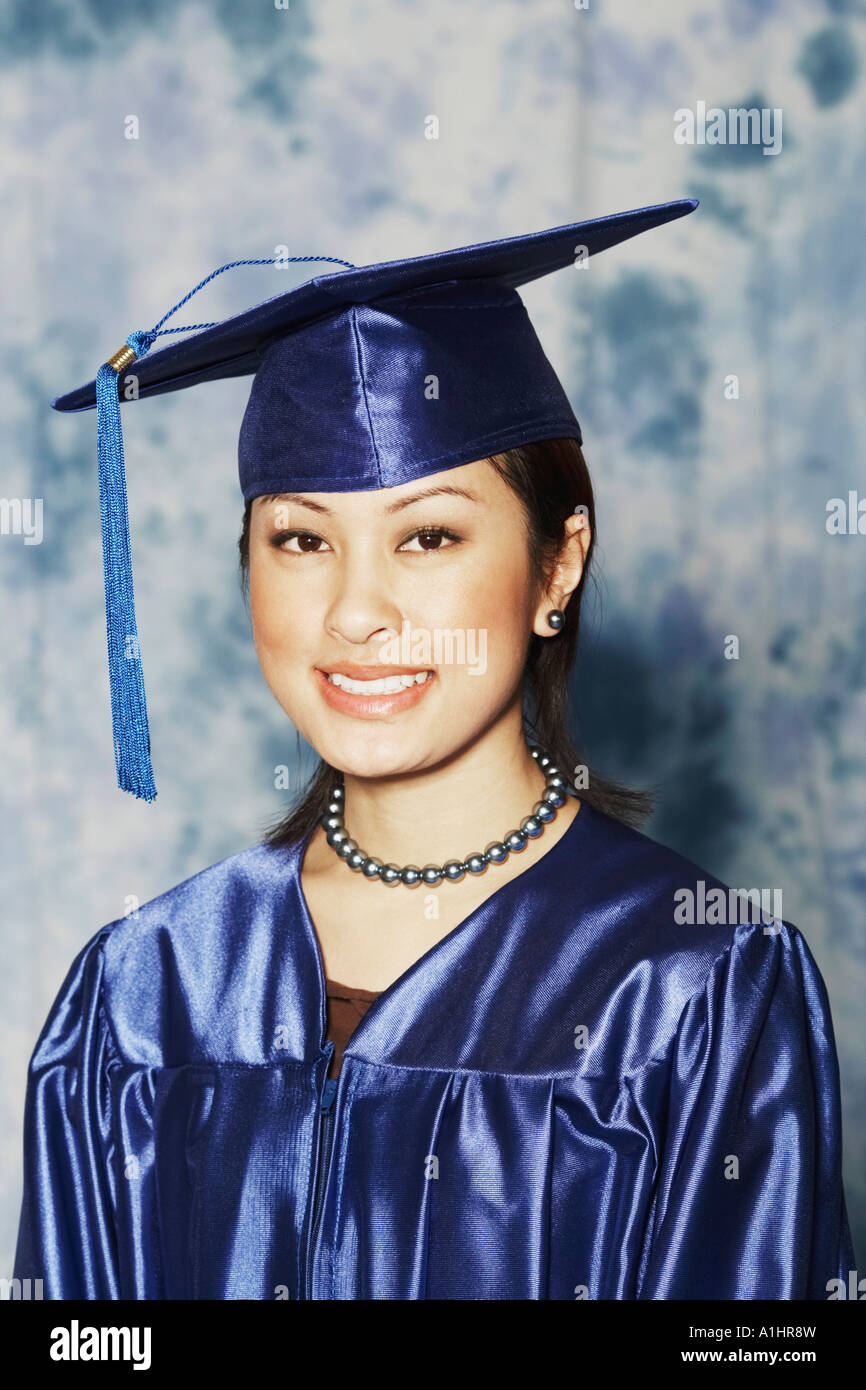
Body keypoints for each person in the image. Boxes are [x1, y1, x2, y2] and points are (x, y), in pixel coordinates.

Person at [14, 200, 855, 1299]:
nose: (356, 610)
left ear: (557, 566)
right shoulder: (141, 992)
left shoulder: (694, 987)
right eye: (301, 539)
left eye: (428, 536)